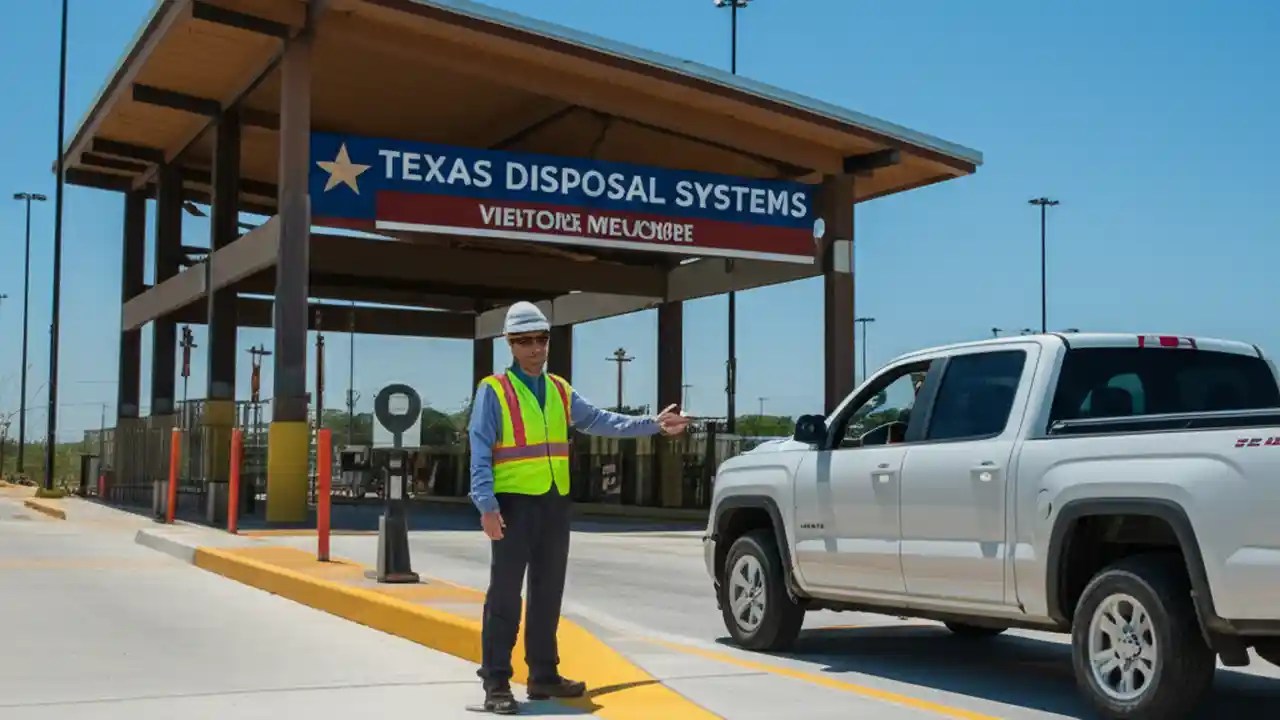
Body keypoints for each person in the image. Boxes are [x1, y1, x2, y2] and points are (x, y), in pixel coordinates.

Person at [467, 301, 690, 714]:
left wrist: (654, 425)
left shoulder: (559, 390)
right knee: (505, 595)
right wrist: (485, 505)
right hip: (513, 504)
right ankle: (496, 681)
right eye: (525, 341)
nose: (535, 348)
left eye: (541, 339)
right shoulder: (493, 390)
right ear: (509, 345)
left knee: (548, 592)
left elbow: (602, 420)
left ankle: (543, 674)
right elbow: (479, 450)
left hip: (554, 502)